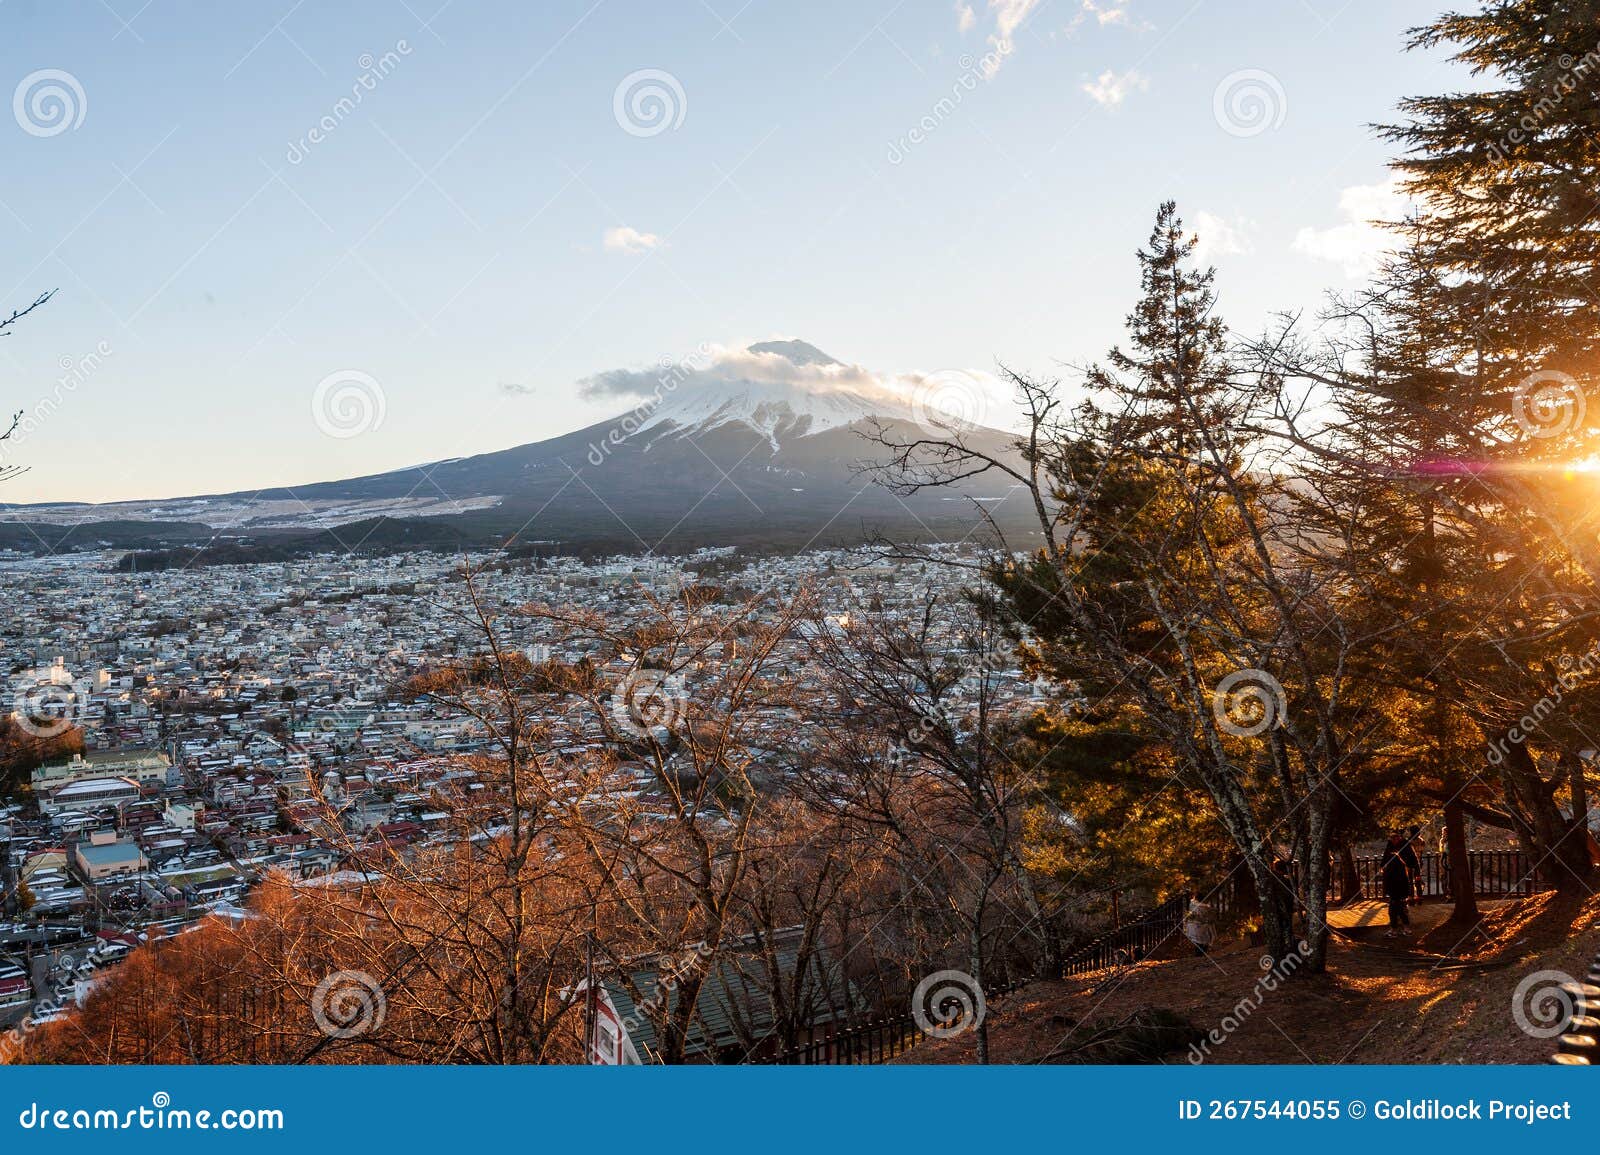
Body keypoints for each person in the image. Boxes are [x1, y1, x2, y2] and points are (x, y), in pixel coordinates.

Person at [1379, 832, 1412, 936]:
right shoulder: (1402, 870)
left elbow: (1388, 883)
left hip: (1395, 894)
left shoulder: (1391, 871)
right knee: (1400, 910)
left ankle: (1395, 929)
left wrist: (1387, 892)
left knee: (1394, 911)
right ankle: (1404, 928)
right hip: (1399, 894)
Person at [1401, 824, 1423, 903]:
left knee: (1409, 880)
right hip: (1419, 862)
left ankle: (1411, 897)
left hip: (1409, 863)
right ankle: (1419, 897)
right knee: (1418, 879)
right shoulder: (1421, 841)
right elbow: (1421, 851)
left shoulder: (1408, 842)